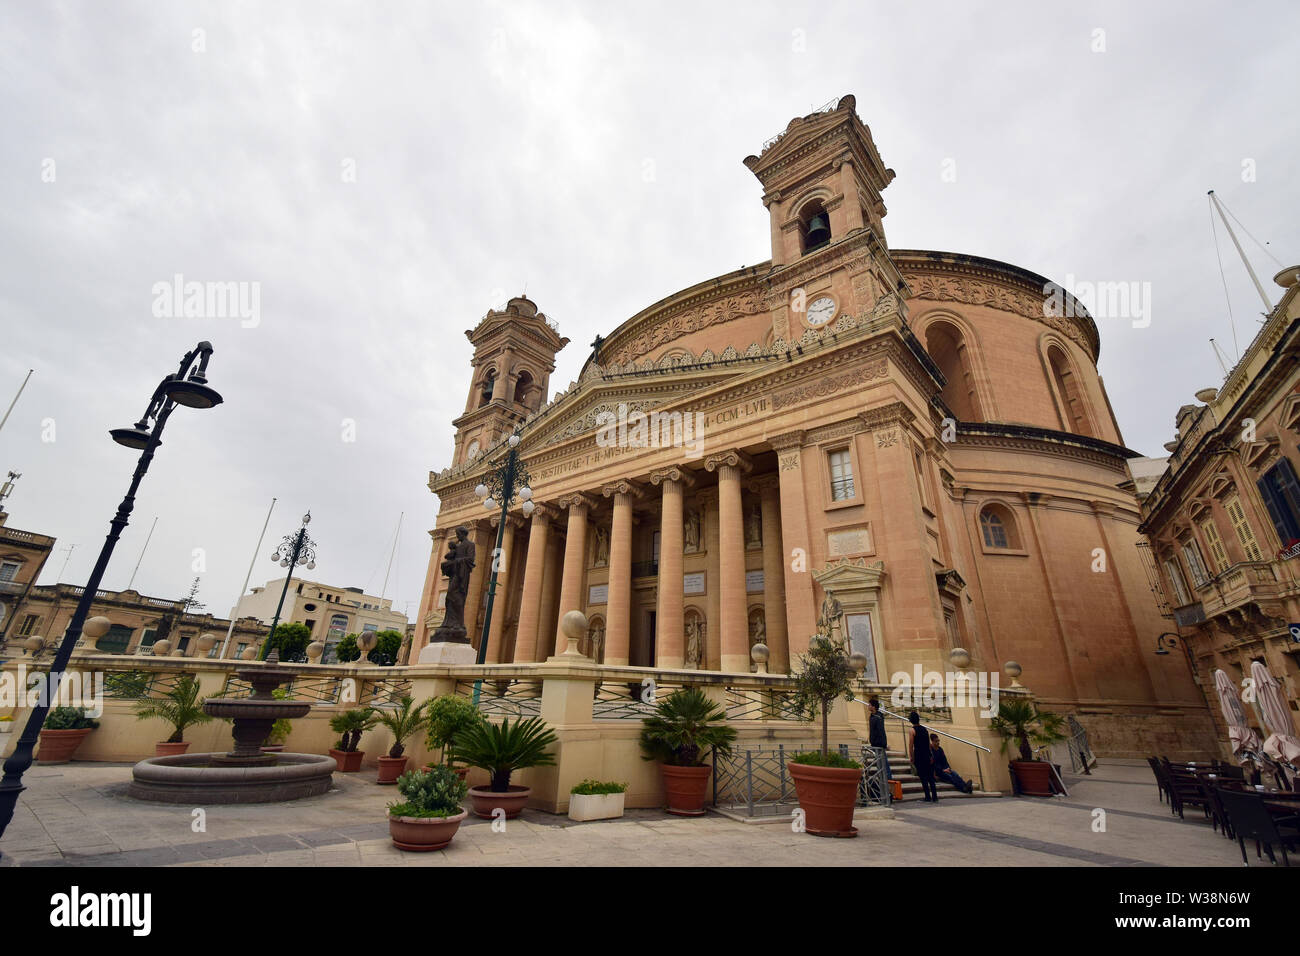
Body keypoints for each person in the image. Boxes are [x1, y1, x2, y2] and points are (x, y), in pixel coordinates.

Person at [908, 710, 938, 802]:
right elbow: (928, 744)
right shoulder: (924, 729)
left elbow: (911, 745)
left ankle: (927, 797)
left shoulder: (912, 730)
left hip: (919, 755)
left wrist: (911, 757)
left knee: (923, 777)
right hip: (927, 755)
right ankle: (935, 797)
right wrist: (931, 755)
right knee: (930, 777)